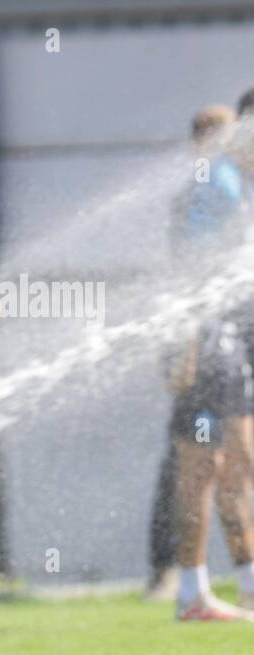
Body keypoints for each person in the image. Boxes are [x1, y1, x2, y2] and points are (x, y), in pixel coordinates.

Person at [163, 105, 254, 622]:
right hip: (206, 339)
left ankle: (240, 583)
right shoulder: (216, 182)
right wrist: (189, 344)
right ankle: (192, 591)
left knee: (233, 461)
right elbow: (191, 270)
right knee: (201, 465)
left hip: (221, 339)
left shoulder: (228, 181)